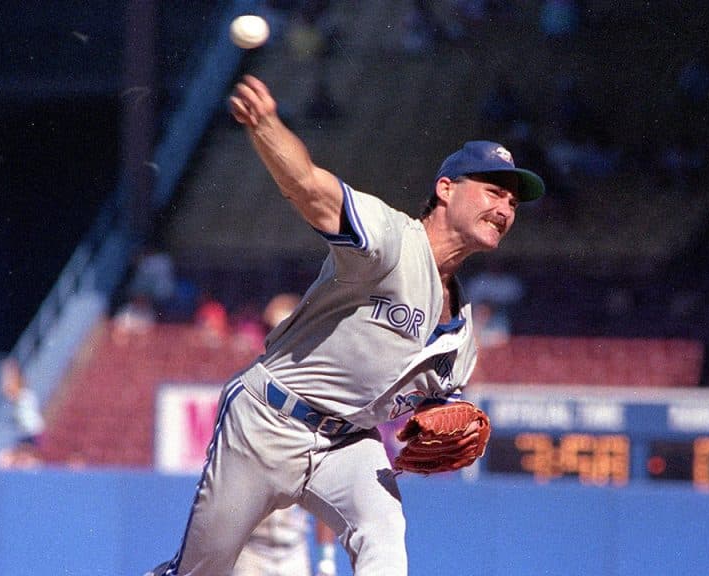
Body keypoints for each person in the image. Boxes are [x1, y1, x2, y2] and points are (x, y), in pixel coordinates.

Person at [149, 74, 545, 575]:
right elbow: (309, 187)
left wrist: (443, 418)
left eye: (512, 202)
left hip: (347, 443)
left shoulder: (462, 338)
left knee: (384, 529)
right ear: (446, 189)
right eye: (493, 191)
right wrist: (268, 127)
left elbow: (436, 410)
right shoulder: (392, 241)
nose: (505, 208)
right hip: (268, 421)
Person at [0, 357, 45, 469]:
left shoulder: (24, 395)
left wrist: (8, 371)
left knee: (9, 458)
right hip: (30, 432)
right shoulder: (25, 395)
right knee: (14, 459)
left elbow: (9, 389)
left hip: (32, 432)